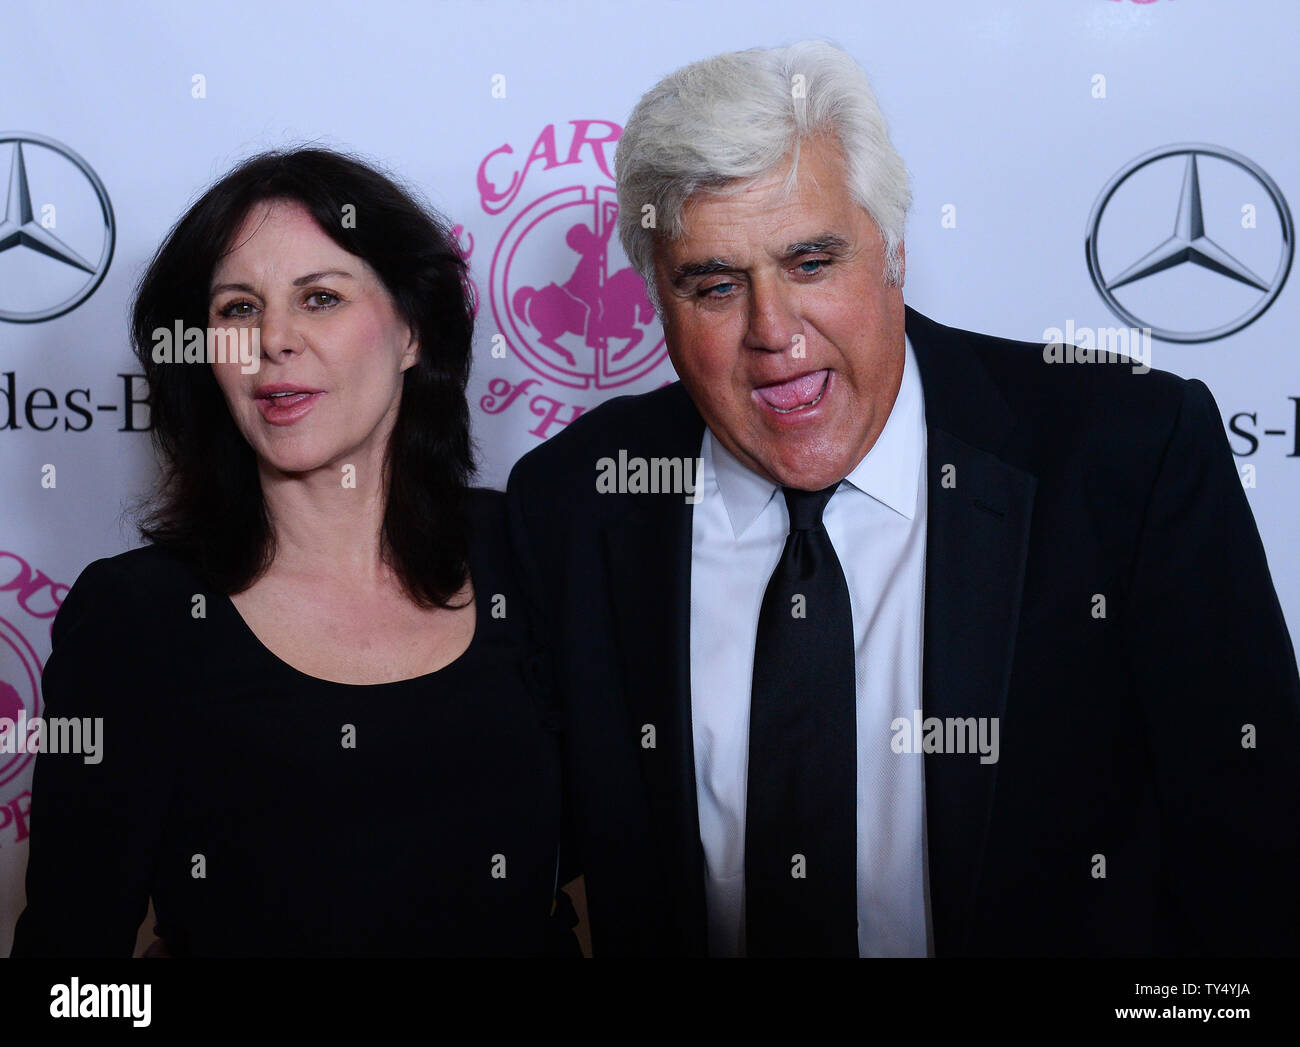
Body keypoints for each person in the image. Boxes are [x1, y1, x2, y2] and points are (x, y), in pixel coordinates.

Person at [505, 40, 1300, 957]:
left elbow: (1255, 853)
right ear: (658, 300)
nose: (774, 334)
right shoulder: (574, 502)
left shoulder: (1124, 455)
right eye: (716, 285)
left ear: (895, 252)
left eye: (811, 263)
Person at [12, 148, 574, 957]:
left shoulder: (526, 550)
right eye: (238, 309)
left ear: (413, 330)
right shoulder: (137, 616)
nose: (274, 339)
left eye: (320, 297)